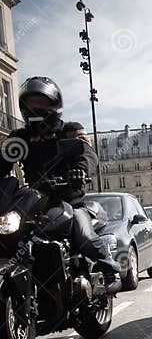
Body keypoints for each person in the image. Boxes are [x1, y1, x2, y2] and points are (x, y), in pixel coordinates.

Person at [0, 77, 121, 293]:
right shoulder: (20, 137)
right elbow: (2, 162)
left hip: (69, 200)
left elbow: (87, 154)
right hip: (35, 203)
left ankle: (111, 270)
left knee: (84, 235)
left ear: (54, 104)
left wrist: (81, 170)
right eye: (31, 103)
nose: (35, 108)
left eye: (41, 102)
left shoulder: (70, 130)